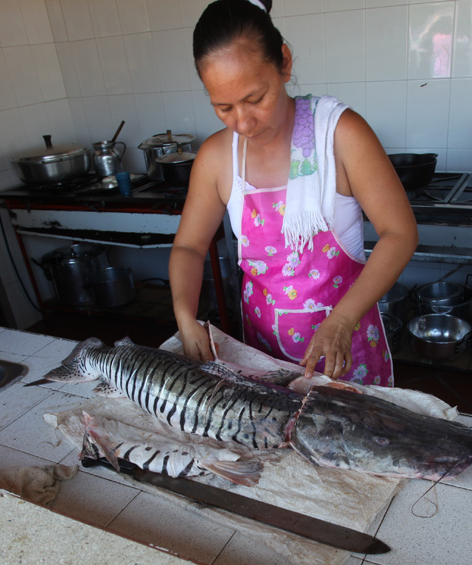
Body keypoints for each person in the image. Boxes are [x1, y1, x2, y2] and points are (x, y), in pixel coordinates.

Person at [168, 0, 417, 385]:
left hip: (347, 356)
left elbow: (400, 234)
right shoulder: (217, 157)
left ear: (284, 62)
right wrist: (184, 316)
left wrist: (342, 321)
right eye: (224, 107)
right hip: (263, 359)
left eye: (255, 99)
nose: (244, 122)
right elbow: (188, 247)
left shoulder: (338, 134)